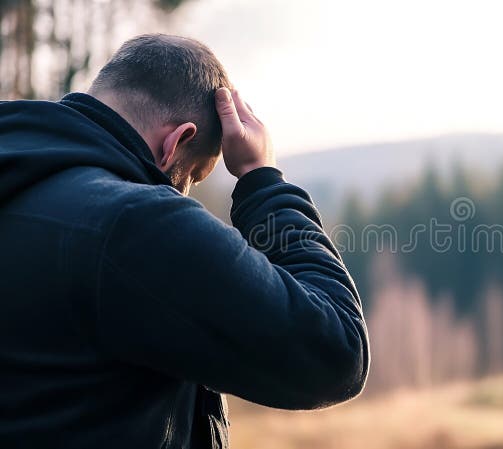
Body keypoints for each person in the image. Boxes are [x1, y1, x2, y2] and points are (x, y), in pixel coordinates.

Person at [0, 34, 369, 449]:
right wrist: (261, 180)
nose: (184, 192)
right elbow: (336, 351)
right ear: (175, 143)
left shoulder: (18, 172)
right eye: (192, 177)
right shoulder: (135, 225)